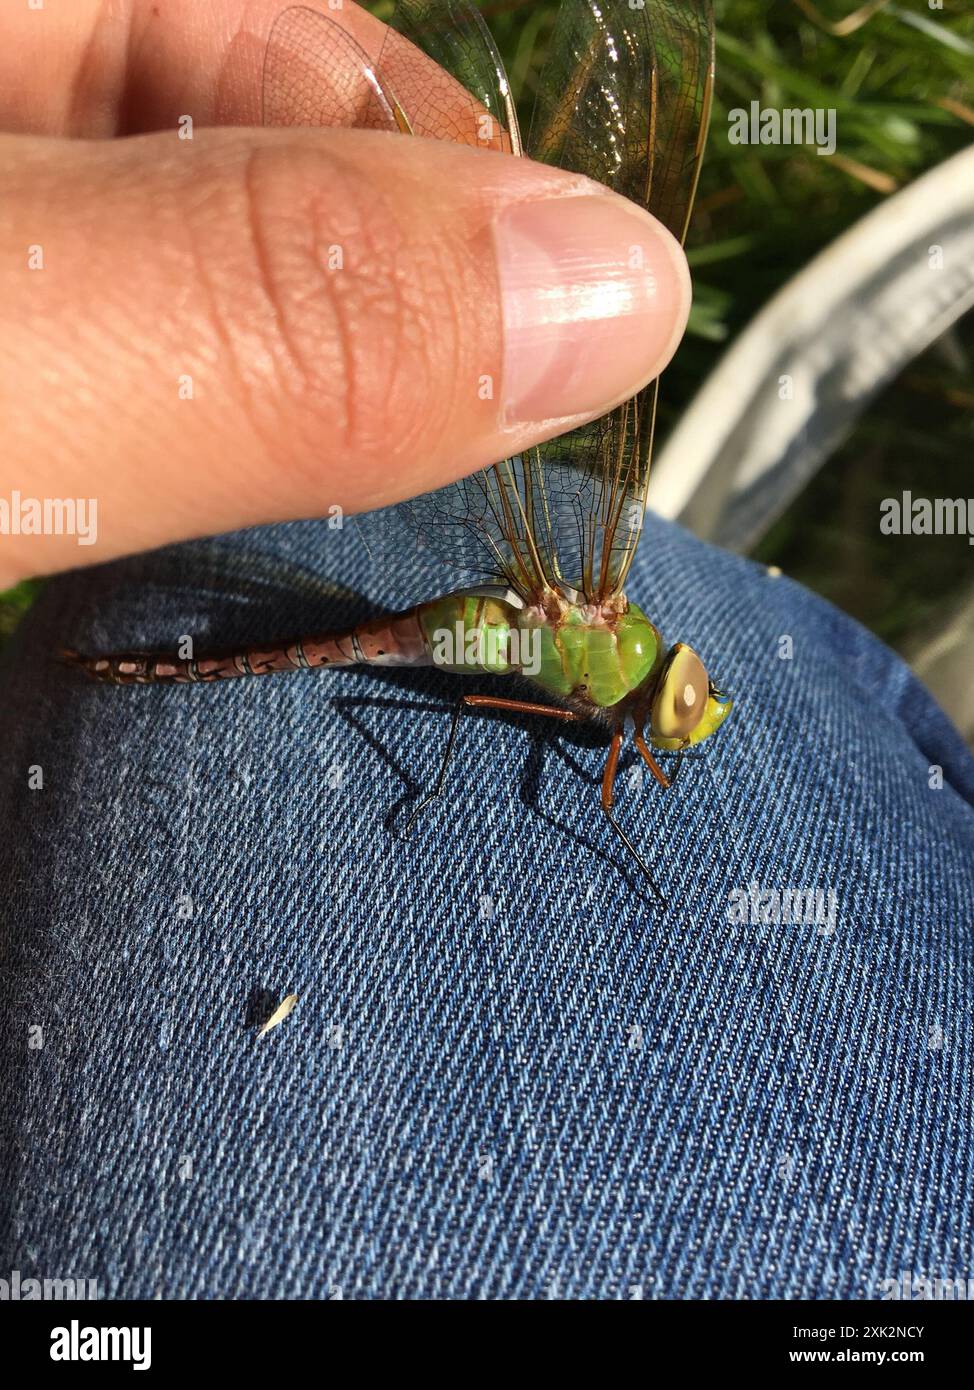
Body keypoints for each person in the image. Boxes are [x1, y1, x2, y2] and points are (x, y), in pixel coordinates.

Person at [1, 0, 972, 1301]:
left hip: (486, 592)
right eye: (678, 698)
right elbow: (521, 732)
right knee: (447, 690)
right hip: (451, 623)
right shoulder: (611, 686)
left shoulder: (623, 660)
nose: (685, 703)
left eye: (681, 698)